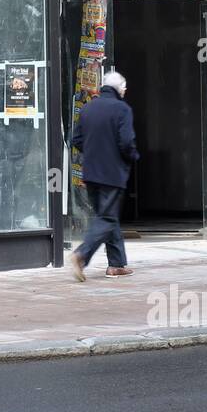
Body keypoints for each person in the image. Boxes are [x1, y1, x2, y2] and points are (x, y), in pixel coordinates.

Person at [68, 70, 140, 282]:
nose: (125, 91)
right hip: (112, 173)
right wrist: (133, 156)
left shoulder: (89, 107)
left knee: (107, 217)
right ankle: (81, 255)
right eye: (124, 88)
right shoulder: (122, 109)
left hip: (91, 172)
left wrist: (93, 153)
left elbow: (77, 139)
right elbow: (126, 143)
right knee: (107, 217)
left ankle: (116, 265)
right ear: (119, 89)